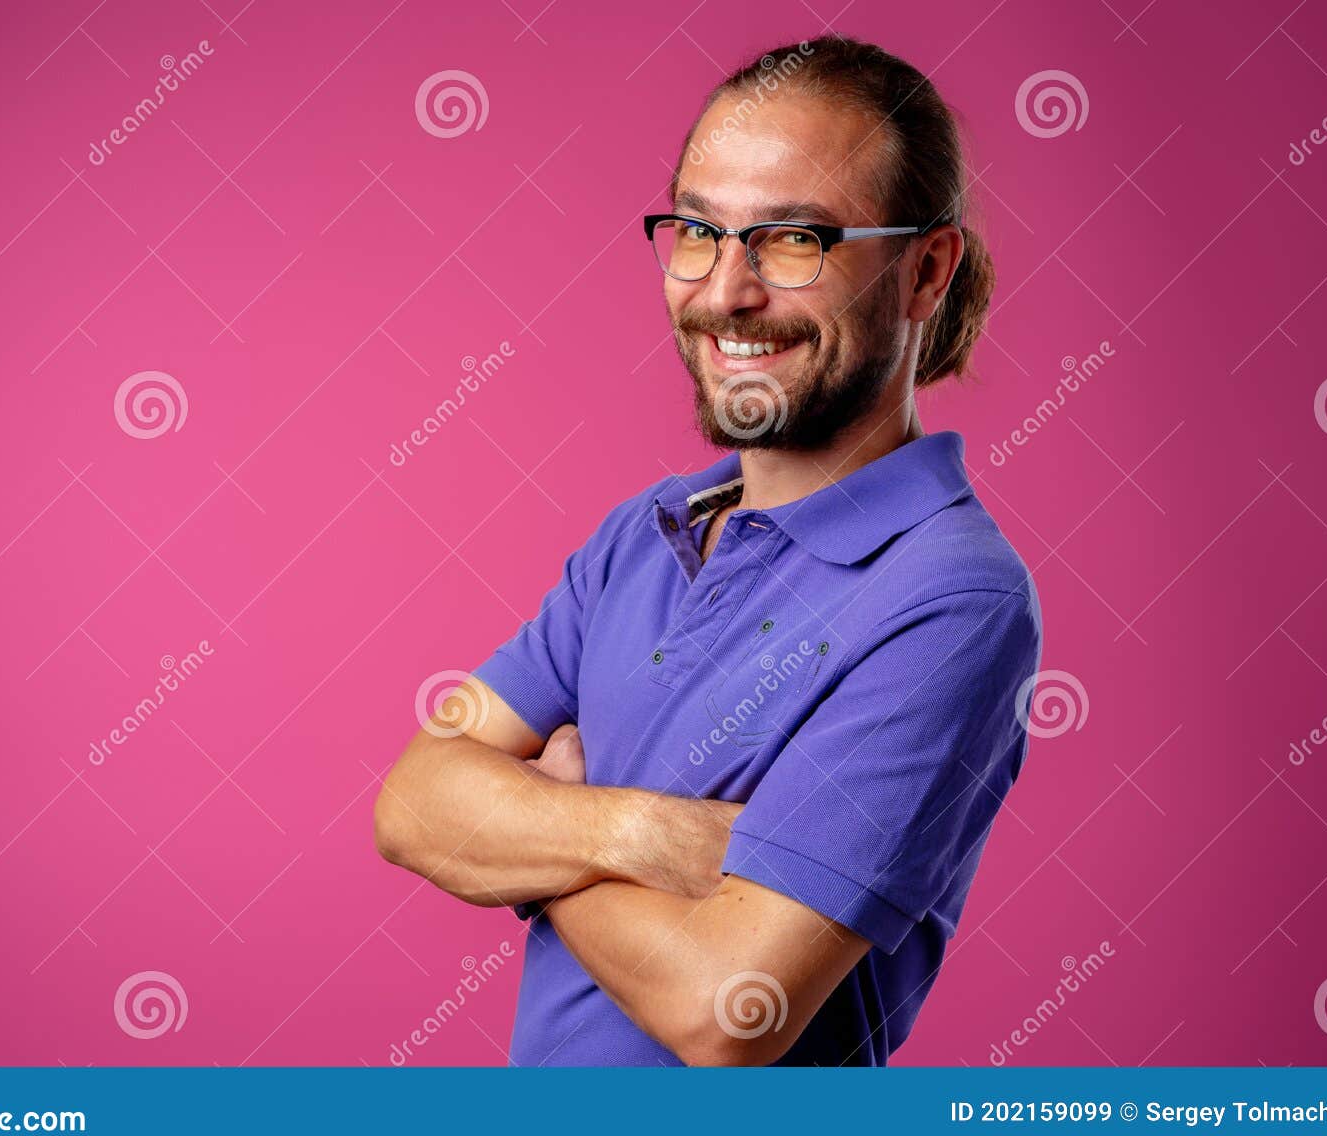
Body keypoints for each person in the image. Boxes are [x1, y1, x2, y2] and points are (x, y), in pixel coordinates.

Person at [374, 34, 1043, 1066]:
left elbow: (726, 1008)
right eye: (698, 229)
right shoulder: (641, 534)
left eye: (793, 240)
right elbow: (416, 800)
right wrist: (638, 833)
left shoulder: (951, 595)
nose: (725, 292)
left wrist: (539, 823)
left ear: (925, 271)